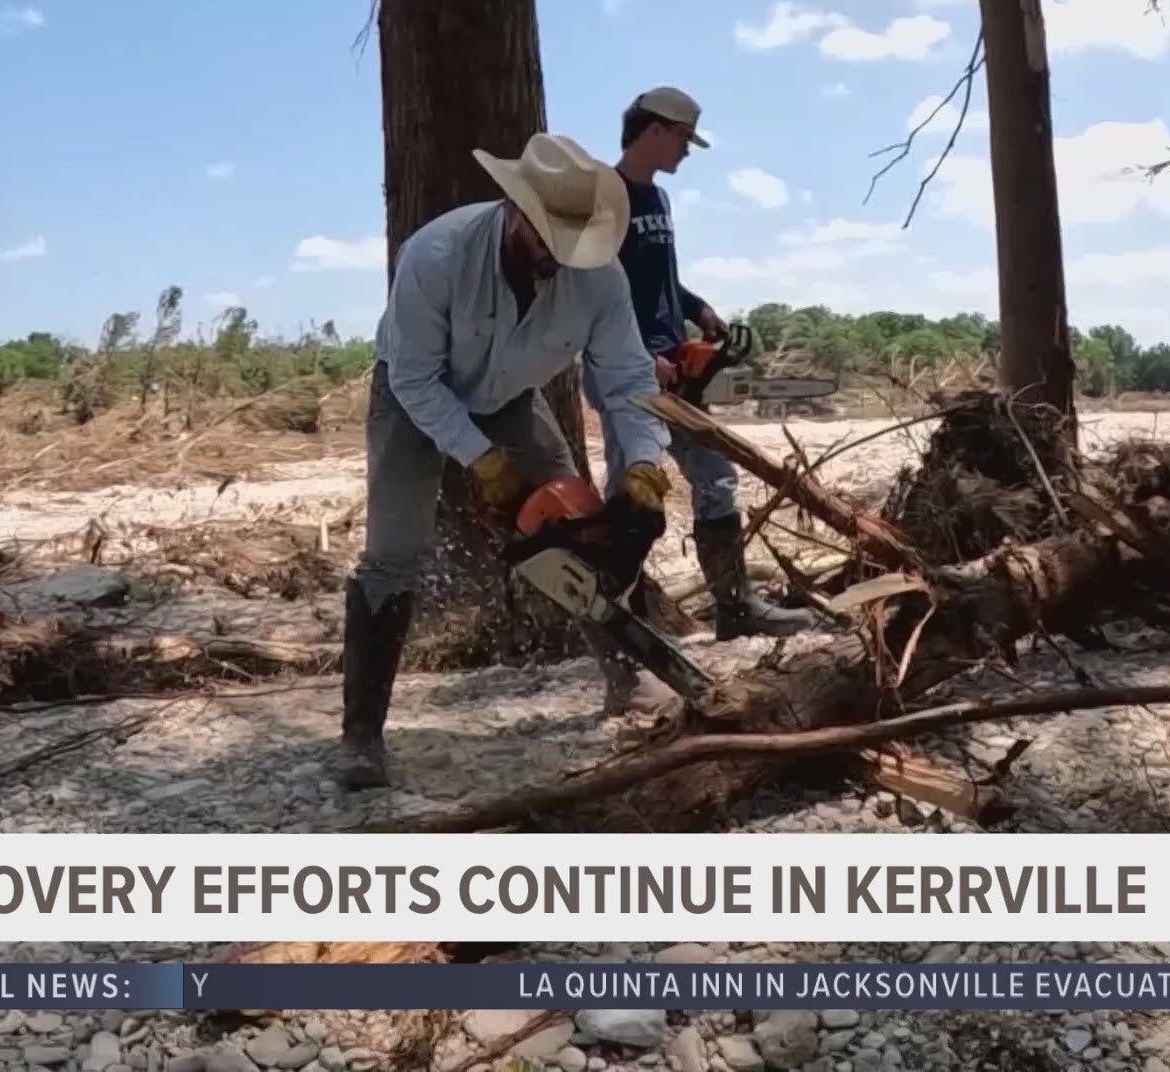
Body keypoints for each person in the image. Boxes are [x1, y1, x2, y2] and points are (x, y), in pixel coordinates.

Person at [335, 132, 676, 788]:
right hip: (415, 395)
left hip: (511, 397)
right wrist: (481, 460)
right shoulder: (437, 254)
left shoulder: (601, 280)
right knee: (391, 554)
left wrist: (644, 466)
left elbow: (631, 380)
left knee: (581, 526)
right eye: (548, 237)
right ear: (516, 209)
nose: (559, 256)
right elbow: (414, 379)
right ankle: (361, 737)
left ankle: (626, 679)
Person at [605, 85, 820, 641]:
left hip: (670, 363)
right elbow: (595, 288)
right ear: (655, 131)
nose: (686, 152)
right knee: (632, 496)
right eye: (683, 140)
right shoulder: (606, 197)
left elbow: (656, 279)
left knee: (716, 479)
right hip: (628, 371)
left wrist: (697, 309)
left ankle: (734, 609)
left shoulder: (657, 199)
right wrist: (637, 355)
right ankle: (618, 625)